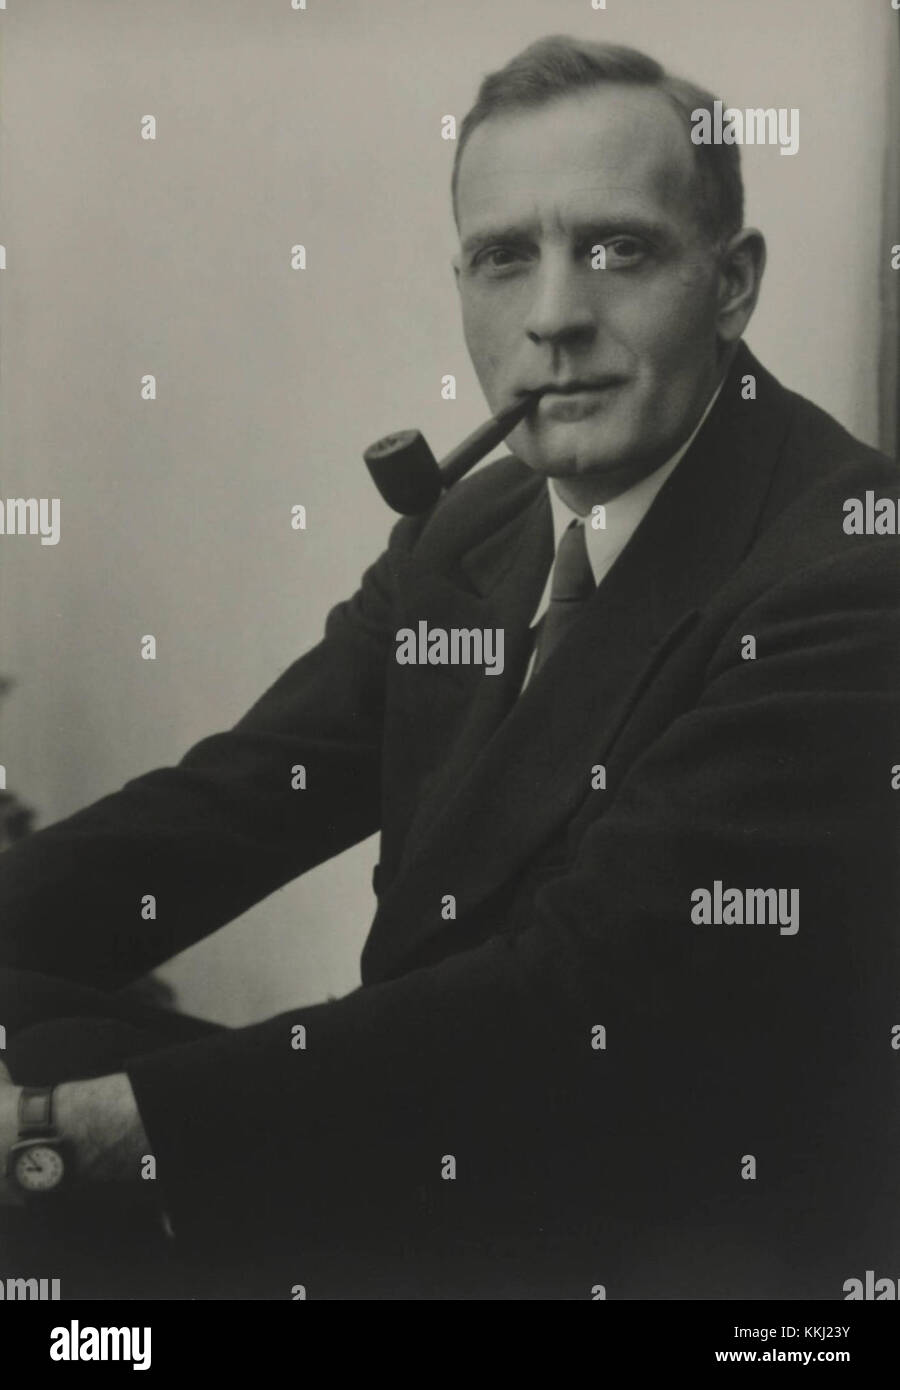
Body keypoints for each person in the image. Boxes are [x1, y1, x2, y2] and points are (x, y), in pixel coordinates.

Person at [1, 36, 898, 1300]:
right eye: (502, 258)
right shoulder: (467, 528)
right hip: (436, 1150)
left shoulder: (852, 566)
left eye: (618, 248)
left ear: (732, 283)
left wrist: (59, 1136)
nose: (552, 317)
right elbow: (231, 805)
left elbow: (572, 995)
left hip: (645, 1234)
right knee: (33, 1010)